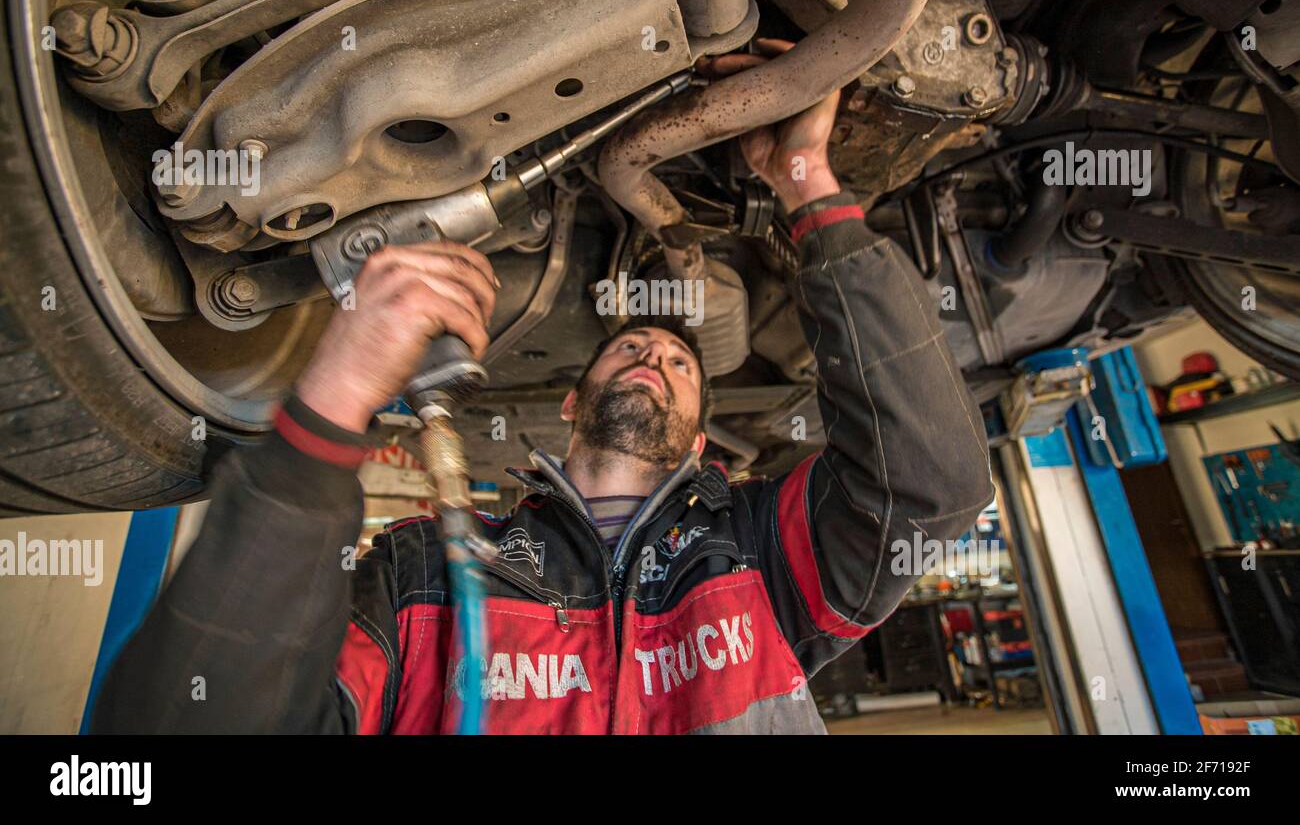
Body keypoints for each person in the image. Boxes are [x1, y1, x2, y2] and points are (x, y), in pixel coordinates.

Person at [93, 41, 994, 734]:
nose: (655, 356)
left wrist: (808, 180)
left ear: (695, 438)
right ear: (571, 402)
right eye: (635, 346)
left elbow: (929, 486)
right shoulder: (424, 582)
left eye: (680, 364)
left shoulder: (762, 556)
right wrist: (334, 393)